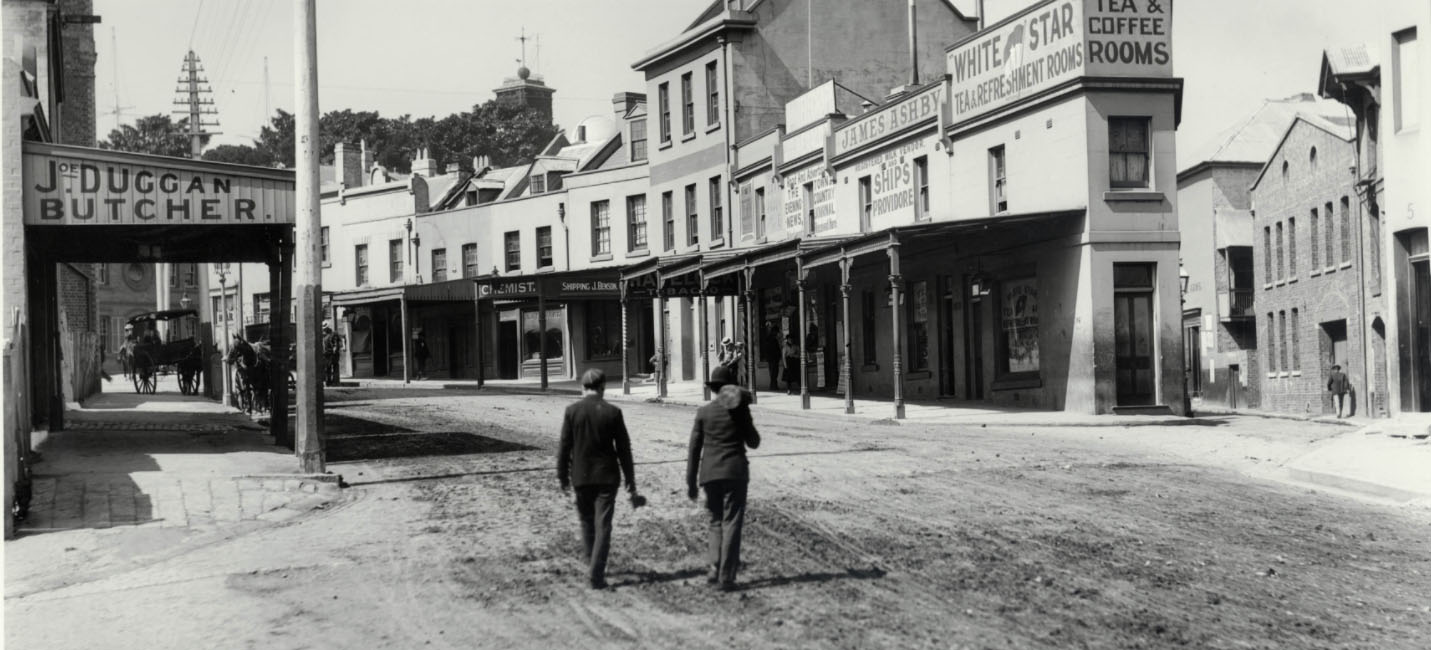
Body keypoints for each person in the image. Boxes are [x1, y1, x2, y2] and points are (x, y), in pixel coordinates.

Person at [557, 368, 638, 590]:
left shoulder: (572, 411)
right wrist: (631, 480)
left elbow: (564, 447)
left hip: (581, 477)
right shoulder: (613, 412)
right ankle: (596, 571)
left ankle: (592, 564)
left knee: (586, 522)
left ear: (583, 388)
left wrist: (563, 478)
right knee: (604, 525)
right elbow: (624, 449)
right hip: (607, 477)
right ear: (603, 388)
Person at [687, 365, 761, 592]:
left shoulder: (703, 413)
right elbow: (754, 442)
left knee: (715, 521)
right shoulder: (740, 411)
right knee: (732, 523)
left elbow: (693, 449)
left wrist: (690, 482)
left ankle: (713, 567)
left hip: (710, 474)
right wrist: (744, 414)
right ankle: (726, 576)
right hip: (735, 473)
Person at [761, 321, 782, 392]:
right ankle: (773, 386)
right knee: (774, 372)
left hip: (772, 358)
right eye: (776, 332)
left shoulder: (771, 338)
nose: (777, 333)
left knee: (774, 372)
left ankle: (774, 385)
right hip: (773, 358)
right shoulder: (771, 339)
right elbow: (772, 349)